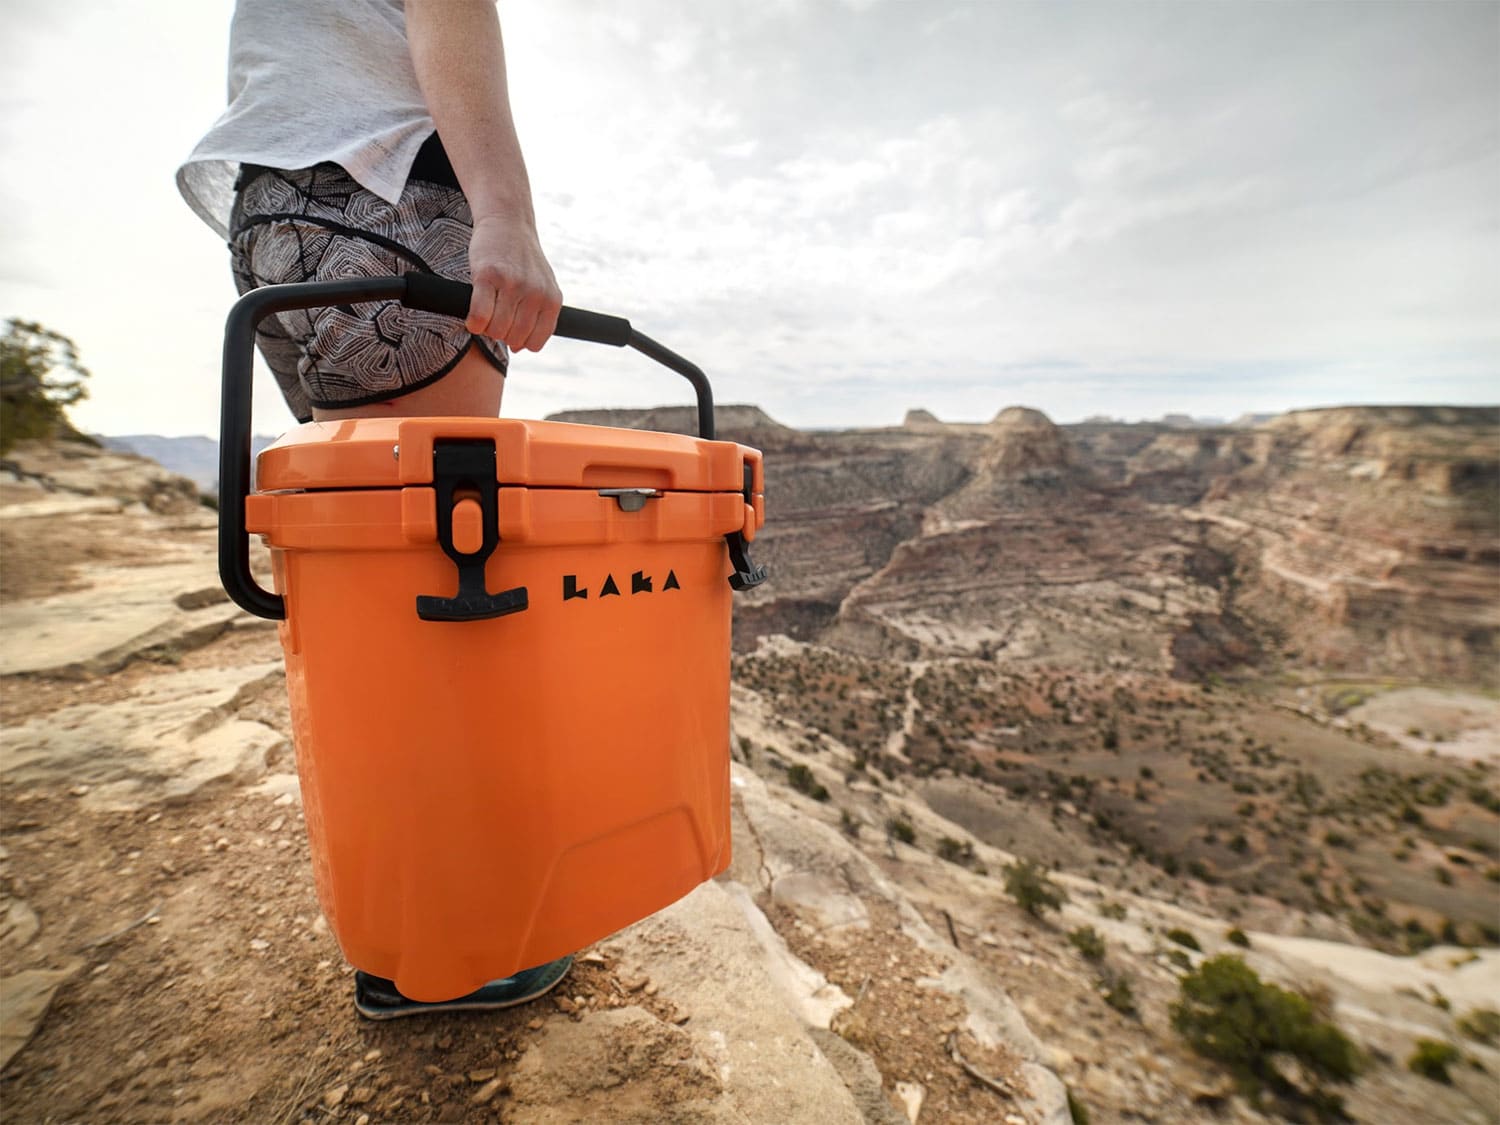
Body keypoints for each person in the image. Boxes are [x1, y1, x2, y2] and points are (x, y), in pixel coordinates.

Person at [176, 0, 571, 1019]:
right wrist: (508, 215)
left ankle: (402, 924)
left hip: (275, 221)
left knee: (380, 576)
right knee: (441, 587)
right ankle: (453, 950)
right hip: (387, 197)